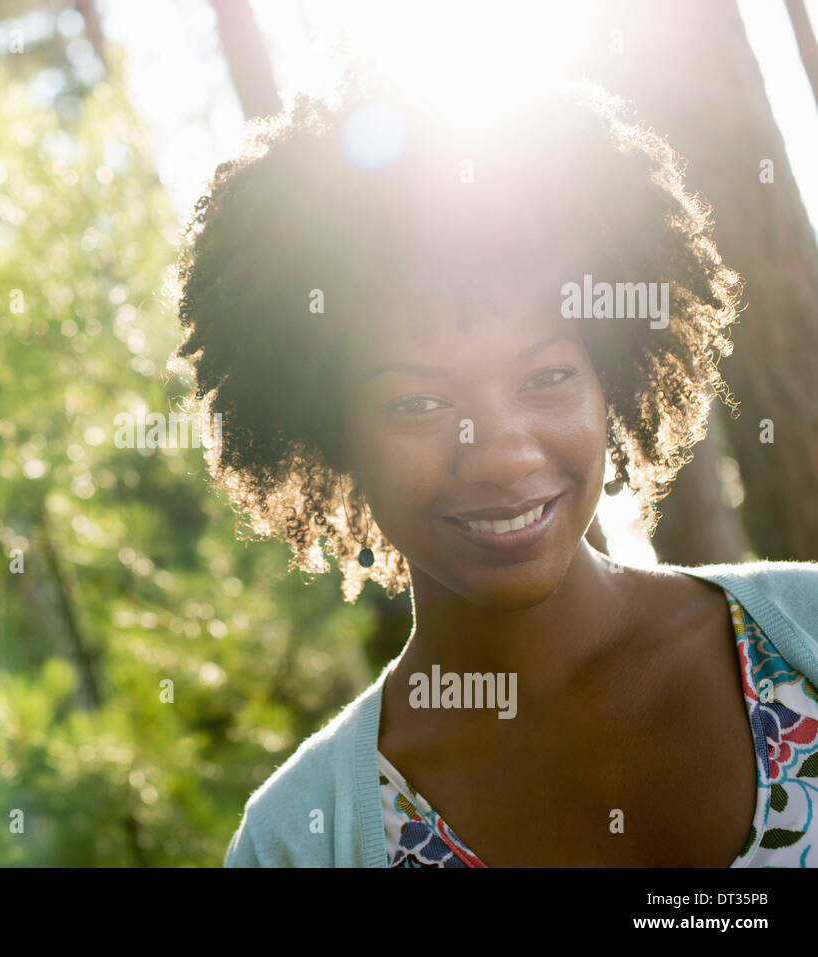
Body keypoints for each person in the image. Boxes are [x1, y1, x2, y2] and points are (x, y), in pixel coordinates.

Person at [175, 80, 818, 867]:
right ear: (328, 431)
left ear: (611, 375)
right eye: (417, 401)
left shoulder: (807, 633)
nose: (502, 454)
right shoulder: (299, 842)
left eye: (546, 377)